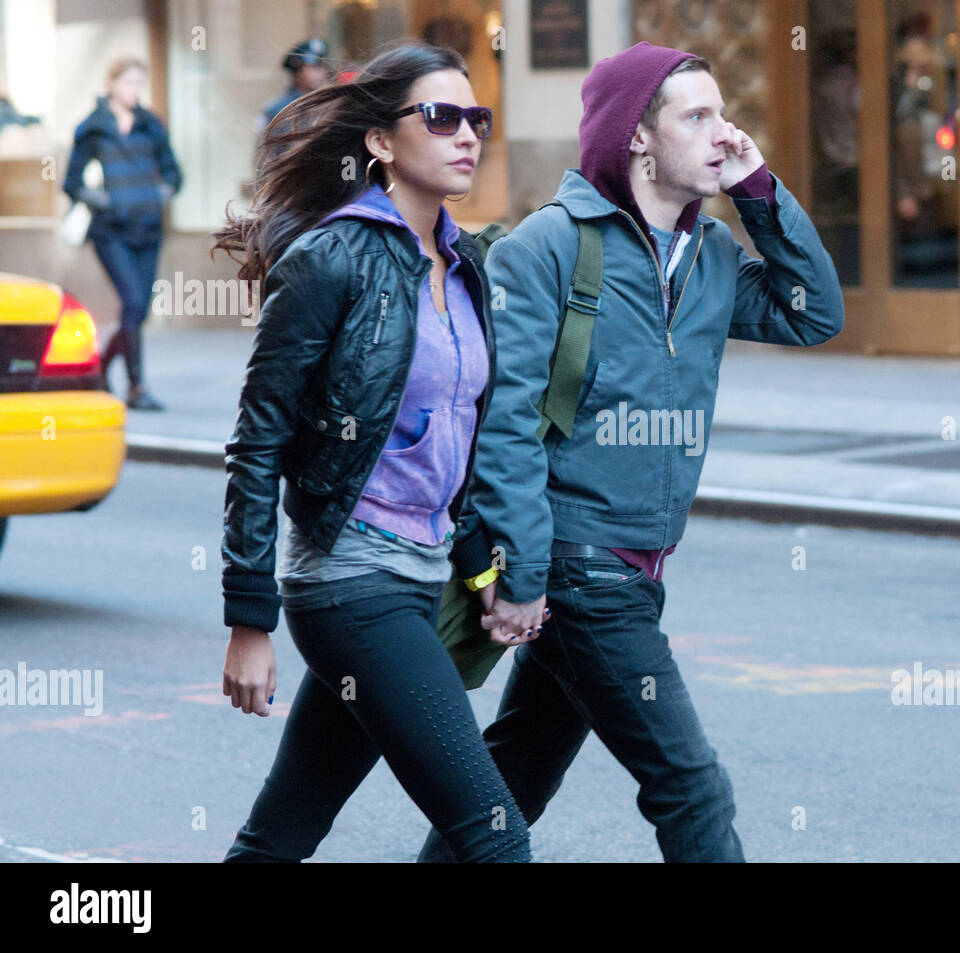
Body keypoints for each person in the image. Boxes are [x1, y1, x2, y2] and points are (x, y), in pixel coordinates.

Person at [418, 41, 844, 863]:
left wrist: (758, 191)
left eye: (724, 113)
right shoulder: (547, 247)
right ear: (637, 139)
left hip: (638, 564)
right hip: (581, 566)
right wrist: (524, 576)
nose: (723, 131)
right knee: (691, 787)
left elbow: (812, 312)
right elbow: (503, 421)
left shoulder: (711, 255)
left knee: (514, 776)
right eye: (698, 115)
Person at [213, 42, 533, 863]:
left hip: (419, 579)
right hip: (350, 582)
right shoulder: (333, 259)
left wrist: (482, 570)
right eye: (440, 116)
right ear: (383, 141)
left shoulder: (465, 267)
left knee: (280, 835)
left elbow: (444, 444)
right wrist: (251, 617)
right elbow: (257, 441)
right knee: (496, 837)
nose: (466, 134)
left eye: (477, 118)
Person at [63, 56, 181, 411]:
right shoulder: (92, 128)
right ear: (112, 84)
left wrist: (155, 197)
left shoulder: (151, 126)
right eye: (129, 83)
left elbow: (175, 174)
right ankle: (136, 387)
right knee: (132, 302)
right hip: (110, 231)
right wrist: (106, 201)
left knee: (138, 309)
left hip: (148, 230)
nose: (135, 90)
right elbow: (71, 182)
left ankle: (99, 367)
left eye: (139, 84)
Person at [256, 37, 330, 138]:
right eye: (314, 66)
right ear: (297, 71)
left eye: (323, 65)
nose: (321, 72)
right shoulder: (279, 110)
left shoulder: (328, 104)